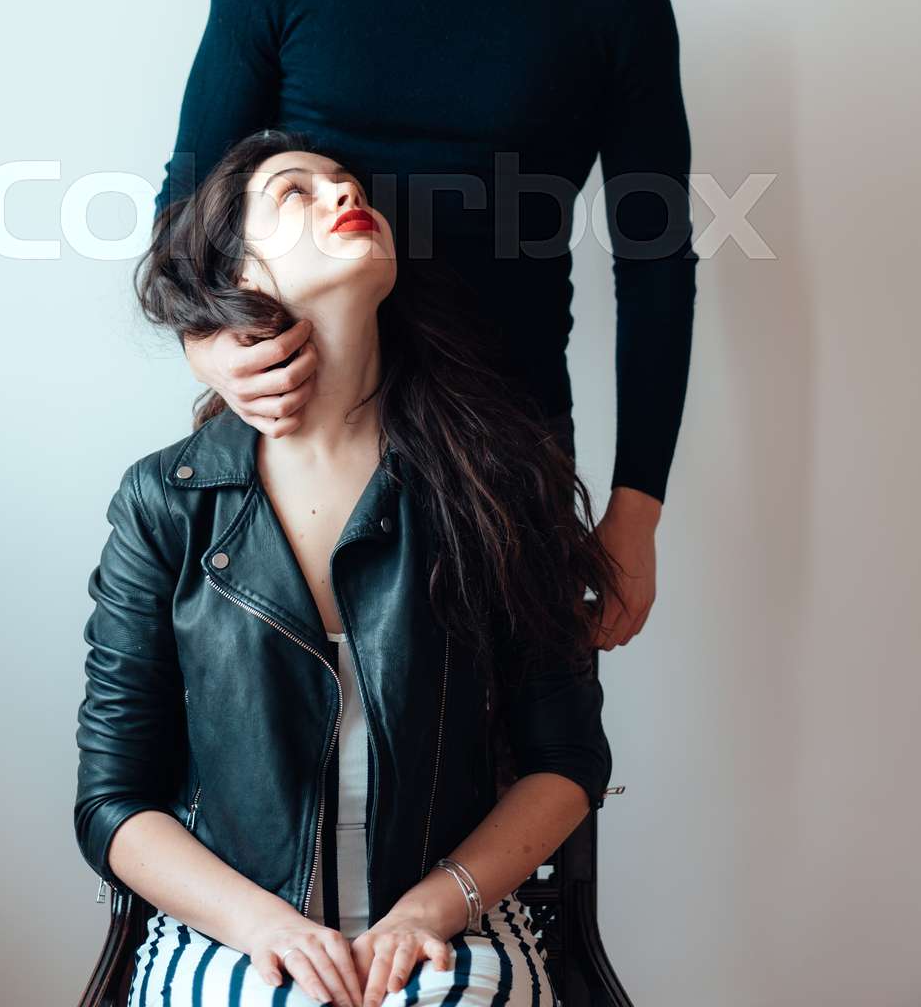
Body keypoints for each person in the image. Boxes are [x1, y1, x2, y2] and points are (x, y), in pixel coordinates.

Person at [153, 0, 698, 654]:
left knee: (527, 786)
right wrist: (206, 346)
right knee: (271, 798)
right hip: (292, 452)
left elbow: (657, 261)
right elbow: (189, 199)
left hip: (505, 469)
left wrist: (635, 508)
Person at [75, 130, 620, 1007]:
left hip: (456, 928)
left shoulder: (496, 480)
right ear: (239, 275)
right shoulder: (165, 501)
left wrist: (428, 913)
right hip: (230, 935)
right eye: (295, 192)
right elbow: (112, 800)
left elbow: (565, 760)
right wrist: (265, 929)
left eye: (348, 184)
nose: (339, 194)